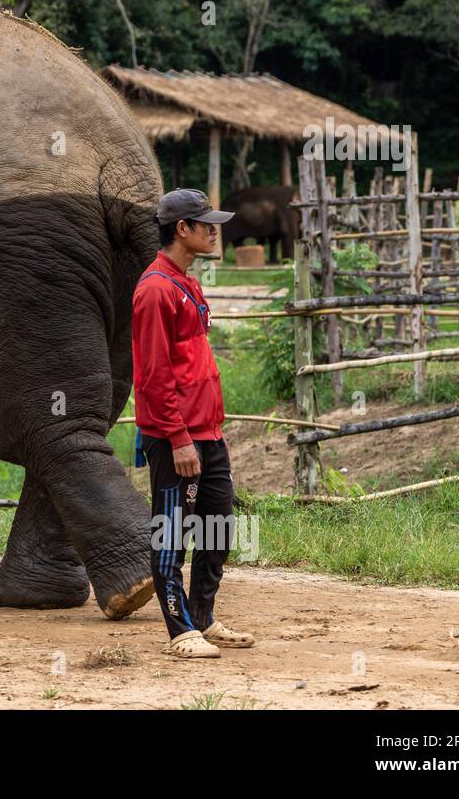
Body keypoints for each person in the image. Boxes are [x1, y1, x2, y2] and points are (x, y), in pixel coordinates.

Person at [131, 188, 254, 659]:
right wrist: (179, 438)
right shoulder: (155, 289)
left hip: (209, 433)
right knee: (171, 534)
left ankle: (202, 616)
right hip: (175, 438)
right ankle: (179, 630)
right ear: (182, 229)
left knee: (219, 525)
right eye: (205, 223)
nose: (213, 229)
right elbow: (153, 375)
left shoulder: (186, 282)